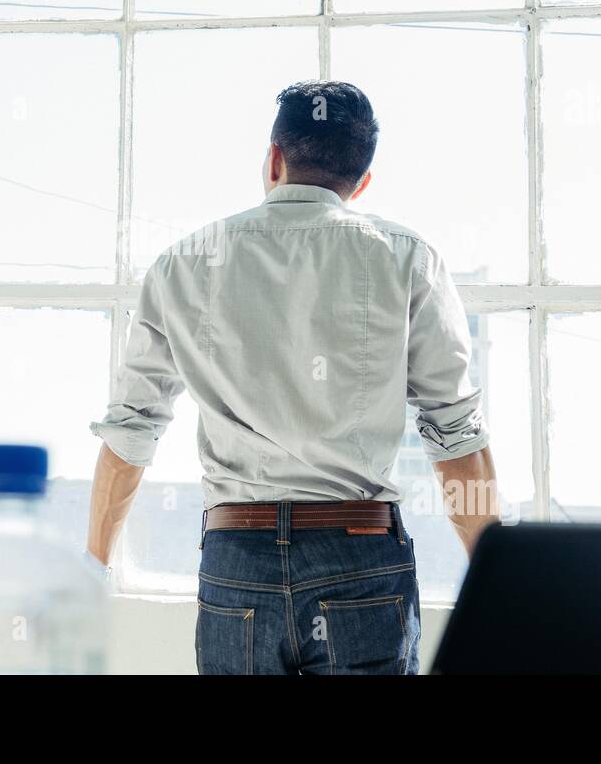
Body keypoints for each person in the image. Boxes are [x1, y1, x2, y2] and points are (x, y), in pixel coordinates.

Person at [86, 80, 498, 675]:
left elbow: (131, 431)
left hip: (237, 559)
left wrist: (93, 567)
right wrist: (492, 583)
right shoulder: (407, 257)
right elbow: (457, 436)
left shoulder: (183, 262)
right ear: (360, 184)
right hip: (360, 557)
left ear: (274, 159)